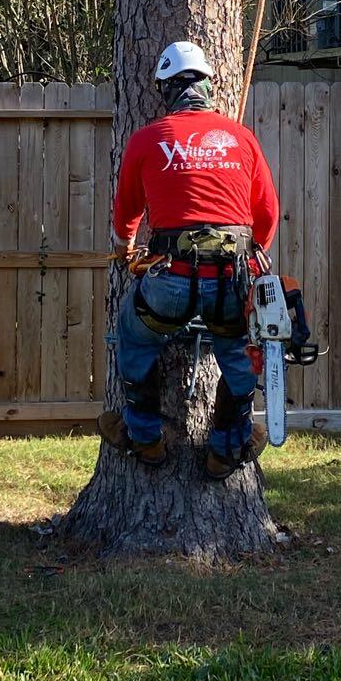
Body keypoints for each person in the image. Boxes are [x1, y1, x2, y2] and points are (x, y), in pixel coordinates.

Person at [97, 40, 280, 480]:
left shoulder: (147, 140)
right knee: (237, 354)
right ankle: (226, 449)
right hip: (231, 282)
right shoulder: (242, 139)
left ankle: (144, 438)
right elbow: (267, 214)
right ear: (207, 86)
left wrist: (126, 249)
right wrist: (250, 262)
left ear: (167, 90)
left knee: (134, 335)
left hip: (169, 283)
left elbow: (126, 213)